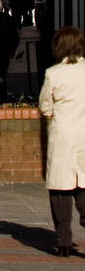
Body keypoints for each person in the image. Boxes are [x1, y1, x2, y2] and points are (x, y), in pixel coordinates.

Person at [38, 27, 85, 257]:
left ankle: (63, 240)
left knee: (60, 189)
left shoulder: (53, 73)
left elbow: (45, 106)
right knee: (84, 185)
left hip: (63, 135)